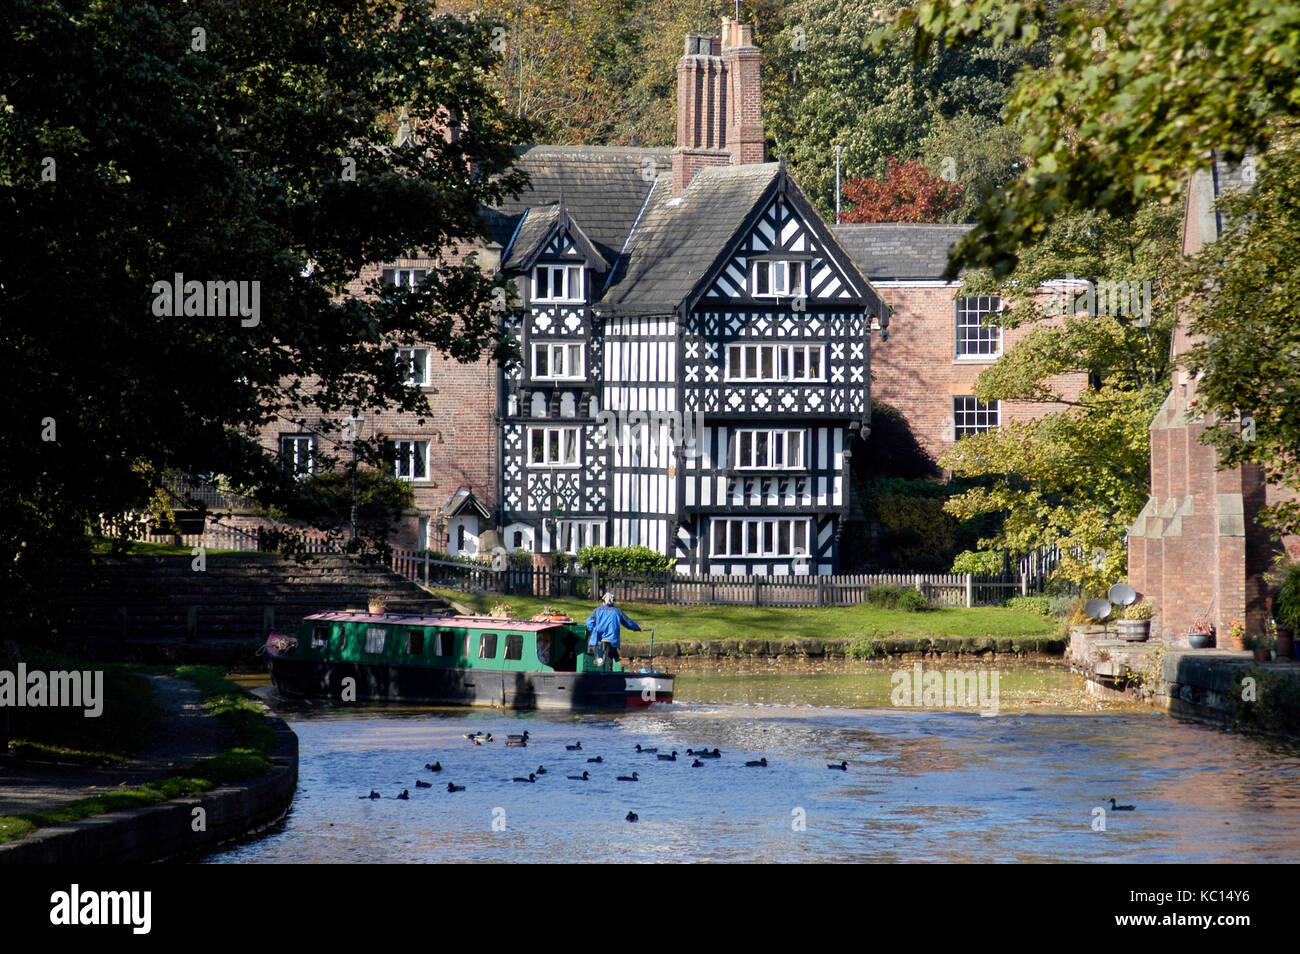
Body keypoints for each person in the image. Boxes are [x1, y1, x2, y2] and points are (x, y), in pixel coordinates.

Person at [585, 592, 641, 668]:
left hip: (599, 637)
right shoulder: (618, 611)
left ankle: (601, 663)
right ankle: (611, 667)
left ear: (603, 601)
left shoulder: (597, 610)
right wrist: (637, 628)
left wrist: (593, 630)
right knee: (611, 653)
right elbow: (628, 622)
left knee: (601, 653)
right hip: (613, 638)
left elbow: (589, 622)